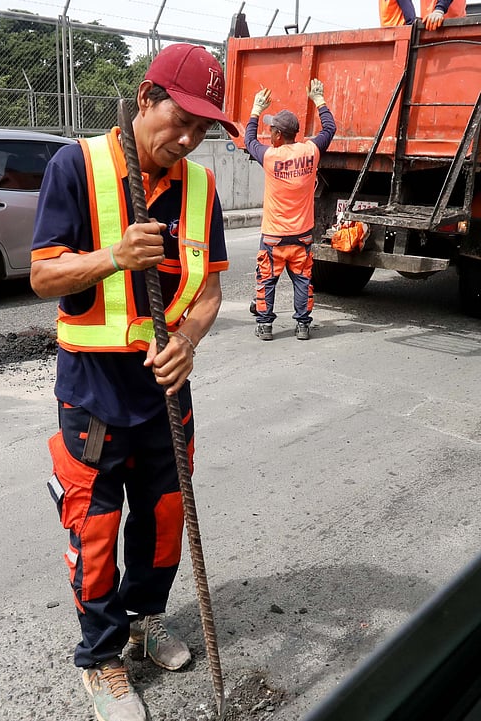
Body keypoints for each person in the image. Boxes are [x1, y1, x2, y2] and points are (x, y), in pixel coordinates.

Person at [30, 43, 234, 721]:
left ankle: (147, 618)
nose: (189, 139)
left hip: (165, 387)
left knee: (165, 514)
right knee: (96, 525)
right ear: (146, 98)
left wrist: (187, 341)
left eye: (204, 129)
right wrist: (114, 256)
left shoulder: (199, 188)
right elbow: (43, 275)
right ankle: (101, 658)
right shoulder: (78, 166)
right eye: (181, 120)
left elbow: (208, 291)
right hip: (93, 387)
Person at [244, 81, 337, 341]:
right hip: (302, 235)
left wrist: (255, 110)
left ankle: (264, 326)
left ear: (277, 136)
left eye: (271, 129)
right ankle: (303, 326)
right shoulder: (311, 151)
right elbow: (330, 129)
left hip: (273, 236)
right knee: (302, 281)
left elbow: (248, 139)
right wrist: (319, 98)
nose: (268, 133)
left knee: (267, 280)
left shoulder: (270, 157)